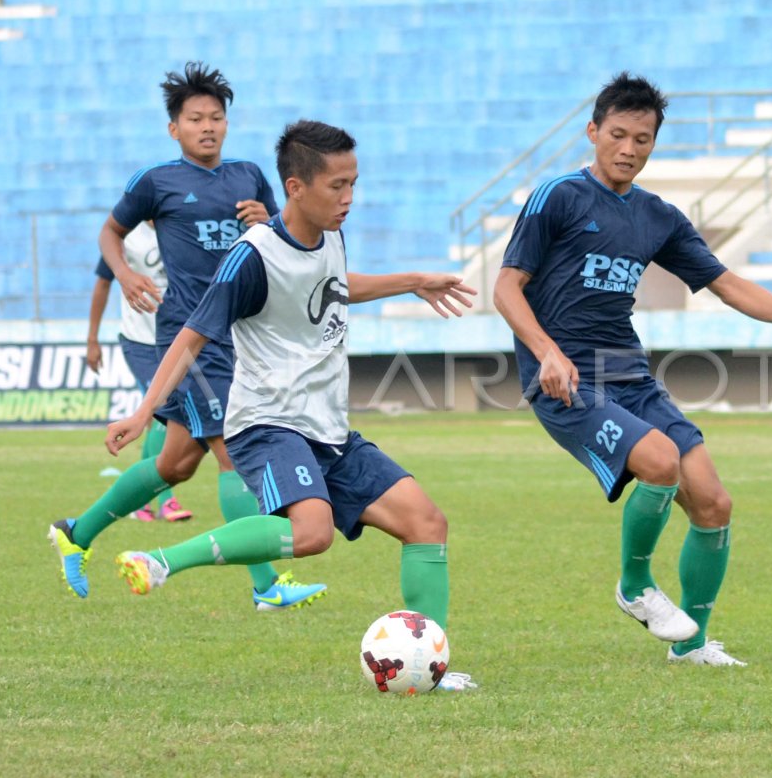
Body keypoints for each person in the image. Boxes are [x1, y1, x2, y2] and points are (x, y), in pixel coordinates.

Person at [492, 72, 772, 667]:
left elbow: (727, 284)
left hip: (629, 376)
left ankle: (691, 644)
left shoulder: (658, 216)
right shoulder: (558, 196)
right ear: (593, 132)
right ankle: (634, 585)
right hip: (565, 378)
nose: (628, 149)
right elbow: (506, 287)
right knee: (659, 461)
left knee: (713, 503)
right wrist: (546, 350)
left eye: (643, 139)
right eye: (618, 135)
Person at [104, 120, 477, 690]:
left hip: (329, 428)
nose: (348, 198)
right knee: (312, 531)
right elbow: (191, 336)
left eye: (354, 184)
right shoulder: (253, 256)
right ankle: (161, 561)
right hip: (268, 422)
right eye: (337, 186)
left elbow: (333, 285)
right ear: (296, 188)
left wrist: (410, 281)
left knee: (426, 523)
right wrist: (142, 412)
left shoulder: (331, 234)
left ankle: (432, 669)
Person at [49, 61, 326, 610]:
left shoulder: (249, 175)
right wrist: (124, 274)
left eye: (216, 117)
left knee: (175, 464)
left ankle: (75, 533)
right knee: (233, 450)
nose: (207, 126)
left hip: (241, 335)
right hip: (190, 335)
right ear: (174, 128)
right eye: (196, 118)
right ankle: (266, 586)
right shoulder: (156, 181)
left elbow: (285, 243)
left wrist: (266, 222)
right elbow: (109, 232)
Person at [85, 221, 192, 522]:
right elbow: (103, 283)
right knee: (162, 414)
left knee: (165, 417)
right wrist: (92, 339)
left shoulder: (181, 224)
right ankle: (167, 501)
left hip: (177, 340)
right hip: (140, 342)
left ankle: (140, 503)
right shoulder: (126, 235)